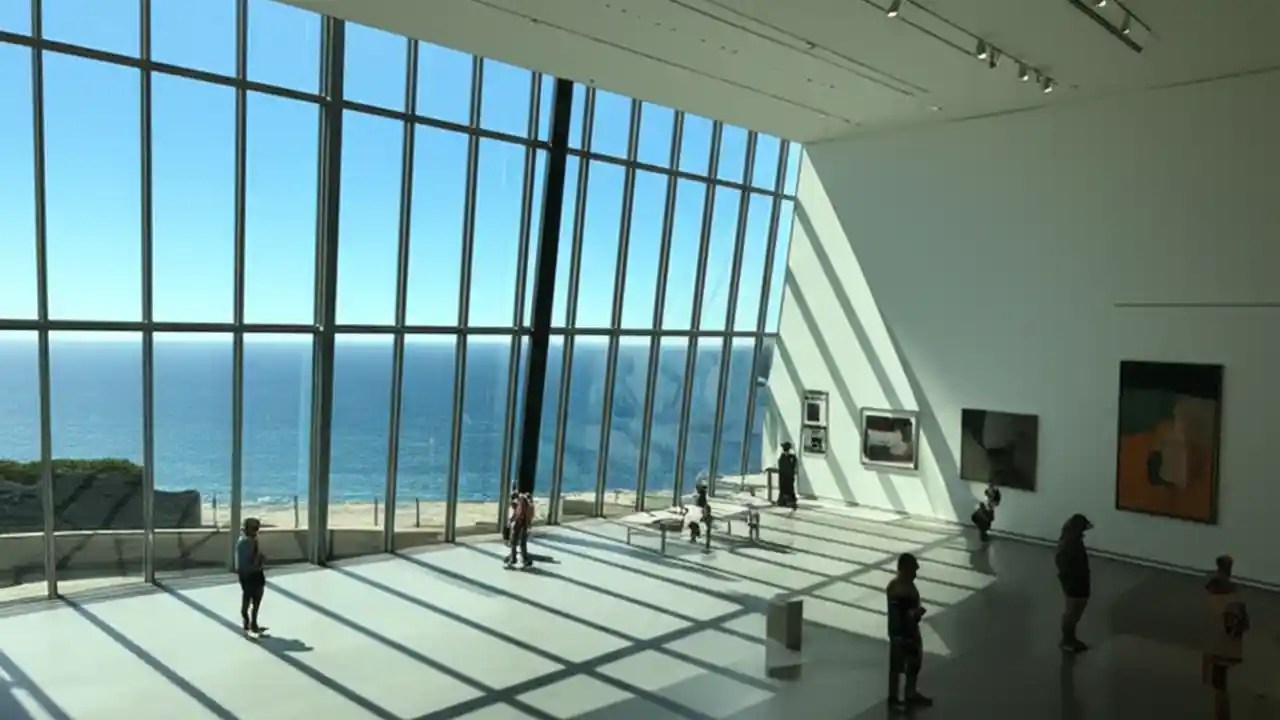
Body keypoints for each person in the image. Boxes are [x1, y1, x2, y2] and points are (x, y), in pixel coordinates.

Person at [1204, 555, 1250, 720]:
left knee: (1219, 685)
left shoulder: (1214, 587)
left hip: (1218, 645)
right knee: (1220, 685)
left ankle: (1221, 715)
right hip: (1225, 645)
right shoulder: (1234, 593)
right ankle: (1222, 714)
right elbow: (1243, 624)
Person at [886, 553, 933, 710]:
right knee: (898, 666)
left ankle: (910, 693)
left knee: (914, 663)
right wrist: (914, 614)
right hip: (901, 633)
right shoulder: (897, 589)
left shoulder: (907, 586)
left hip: (910, 631)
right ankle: (894, 698)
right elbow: (899, 615)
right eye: (912, 570)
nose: (915, 574)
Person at [1055, 513, 1093, 653]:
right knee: (1072, 613)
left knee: (1073, 612)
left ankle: (1070, 639)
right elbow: (1063, 564)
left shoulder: (1071, 540)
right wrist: (1070, 580)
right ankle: (1067, 640)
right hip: (1075, 584)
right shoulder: (1070, 544)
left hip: (1077, 582)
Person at [236, 517, 268, 634]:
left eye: (257, 528)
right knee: (252, 600)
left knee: (252, 600)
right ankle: (249, 622)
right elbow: (251, 560)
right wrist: (260, 559)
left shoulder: (248, 540)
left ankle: (251, 623)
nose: (256, 531)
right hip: (250, 575)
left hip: (251, 574)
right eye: (254, 528)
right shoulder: (246, 542)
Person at [505, 491, 534, 569]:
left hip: (520, 525)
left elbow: (519, 514)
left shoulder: (522, 501)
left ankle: (514, 560)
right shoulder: (525, 501)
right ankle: (525, 561)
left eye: (513, 500)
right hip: (524, 525)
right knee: (521, 544)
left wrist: (513, 522)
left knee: (514, 543)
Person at [776, 441, 798, 508]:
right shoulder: (792, 457)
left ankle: (786, 501)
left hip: (785, 475)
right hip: (788, 476)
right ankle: (787, 501)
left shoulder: (784, 457)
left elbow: (781, 465)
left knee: (785, 488)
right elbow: (793, 465)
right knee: (788, 489)